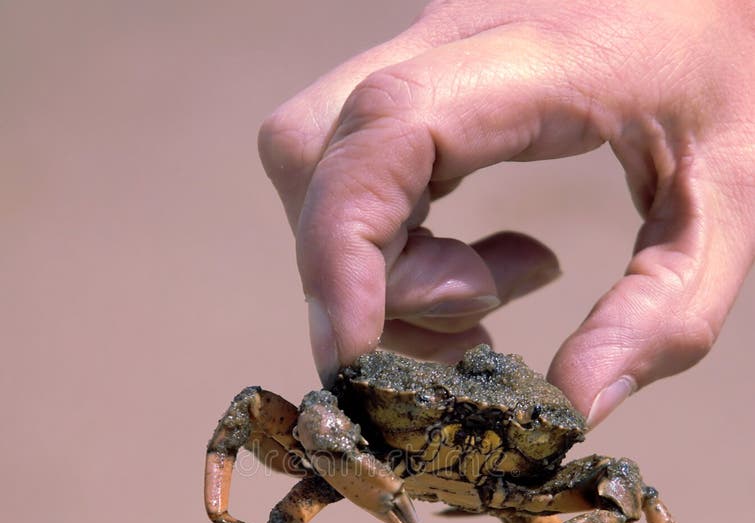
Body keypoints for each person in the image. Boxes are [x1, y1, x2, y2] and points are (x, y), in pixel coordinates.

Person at [258, 0, 754, 426]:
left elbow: (627, 494)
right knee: (265, 411)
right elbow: (277, 419)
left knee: (624, 488)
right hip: (376, 446)